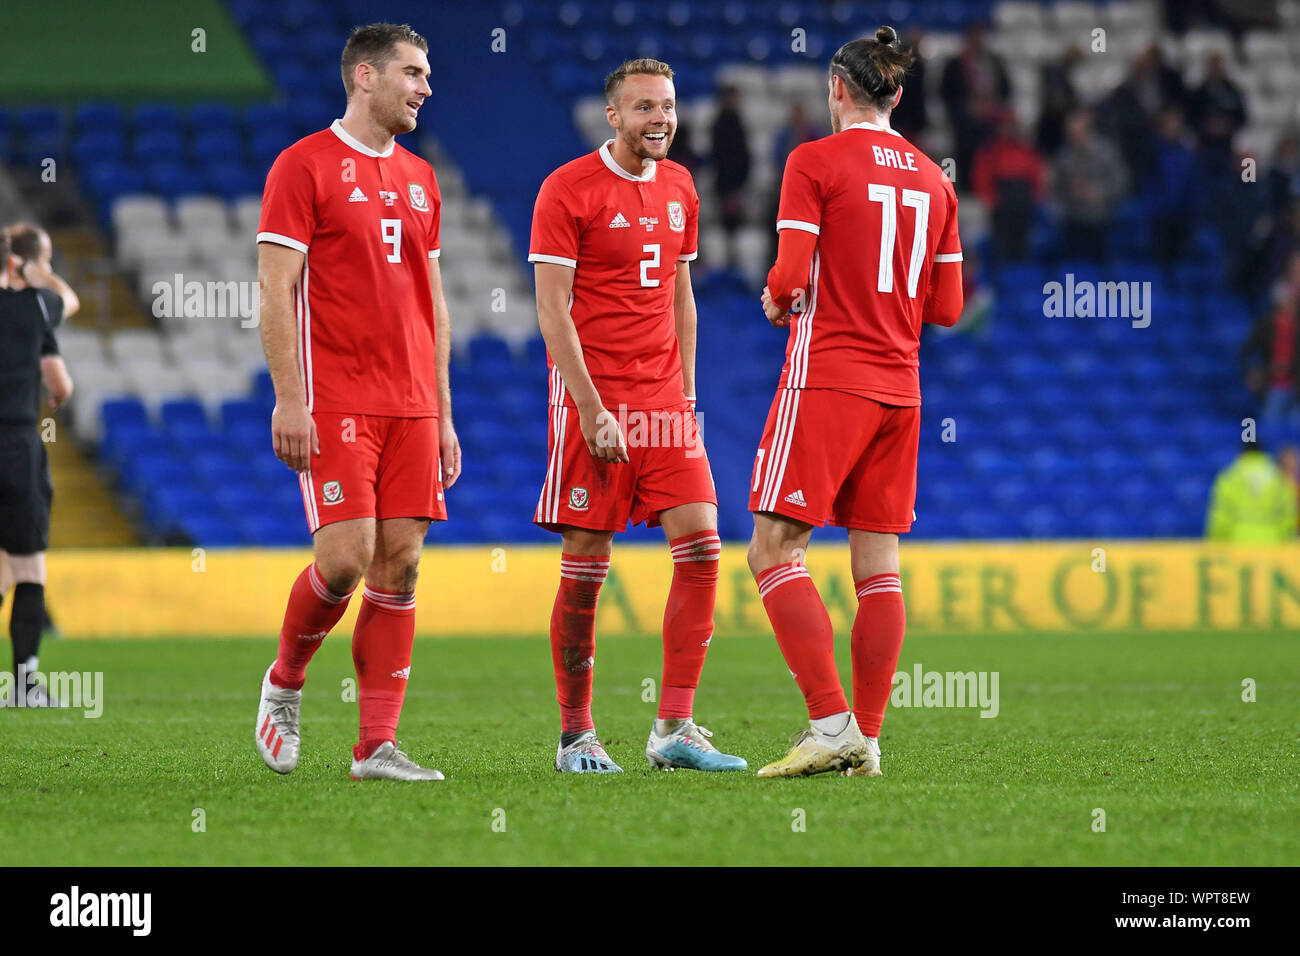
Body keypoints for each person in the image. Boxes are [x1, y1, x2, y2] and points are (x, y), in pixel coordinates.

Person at [749, 26, 963, 779]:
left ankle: (830, 722)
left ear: (836, 89)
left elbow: (788, 274)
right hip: (901, 388)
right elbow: (948, 307)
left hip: (830, 378)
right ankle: (865, 739)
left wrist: (781, 298)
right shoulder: (936, 181)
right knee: (879, 568)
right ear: (897, 95)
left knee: (774, 548)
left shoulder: (814, 160)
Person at [253, 22, 461, 781]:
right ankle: (285, 680)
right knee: (344, 561)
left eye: (427, 73)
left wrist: (442, 411)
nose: (425, 87)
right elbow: (276, 288)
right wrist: (289, 399)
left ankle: (376, 746)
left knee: (400, 565)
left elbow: (434, 306)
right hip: (336, 396)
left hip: (411, 401)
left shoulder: (422, 177)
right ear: (365, 76)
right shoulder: (303, 166)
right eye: (412, 72)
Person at [529, 58, 746, 774]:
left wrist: (683, 397)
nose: (661, 119)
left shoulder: (682, 186)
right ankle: (575, 735)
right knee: (589, 564)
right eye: (644, 107)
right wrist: (591, 409)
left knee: (706, 549)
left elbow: (683, 296)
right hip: (594, 395)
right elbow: (551, 310)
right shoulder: (568, 188)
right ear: (613, 116)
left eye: (669, 106)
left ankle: (674, 727)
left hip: (663, 401)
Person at [0, 228, 75, 706]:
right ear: (20, 262)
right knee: (28, 566)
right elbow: (68, 299)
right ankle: (24, 684)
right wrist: (37, 274)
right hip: (16, 444)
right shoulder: (36, 307)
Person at [1205, 438, 1298, 541]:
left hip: (1237, 544)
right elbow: (1288, 516)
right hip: (1273, 544)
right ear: (1263, 453)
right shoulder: (1279, 478)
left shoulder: (1228, 478)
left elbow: (1220, 518)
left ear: (1242, 453)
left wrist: (1216, 544)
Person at [710, 84, 751, 270]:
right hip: (727, 182)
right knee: (728, 223)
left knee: (736, 224)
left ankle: (734, 261)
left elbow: (743, 153)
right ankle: (729, 262)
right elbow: (722, 156)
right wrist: (731, 186)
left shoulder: (738, 121)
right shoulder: (721, 124)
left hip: (737, 182)